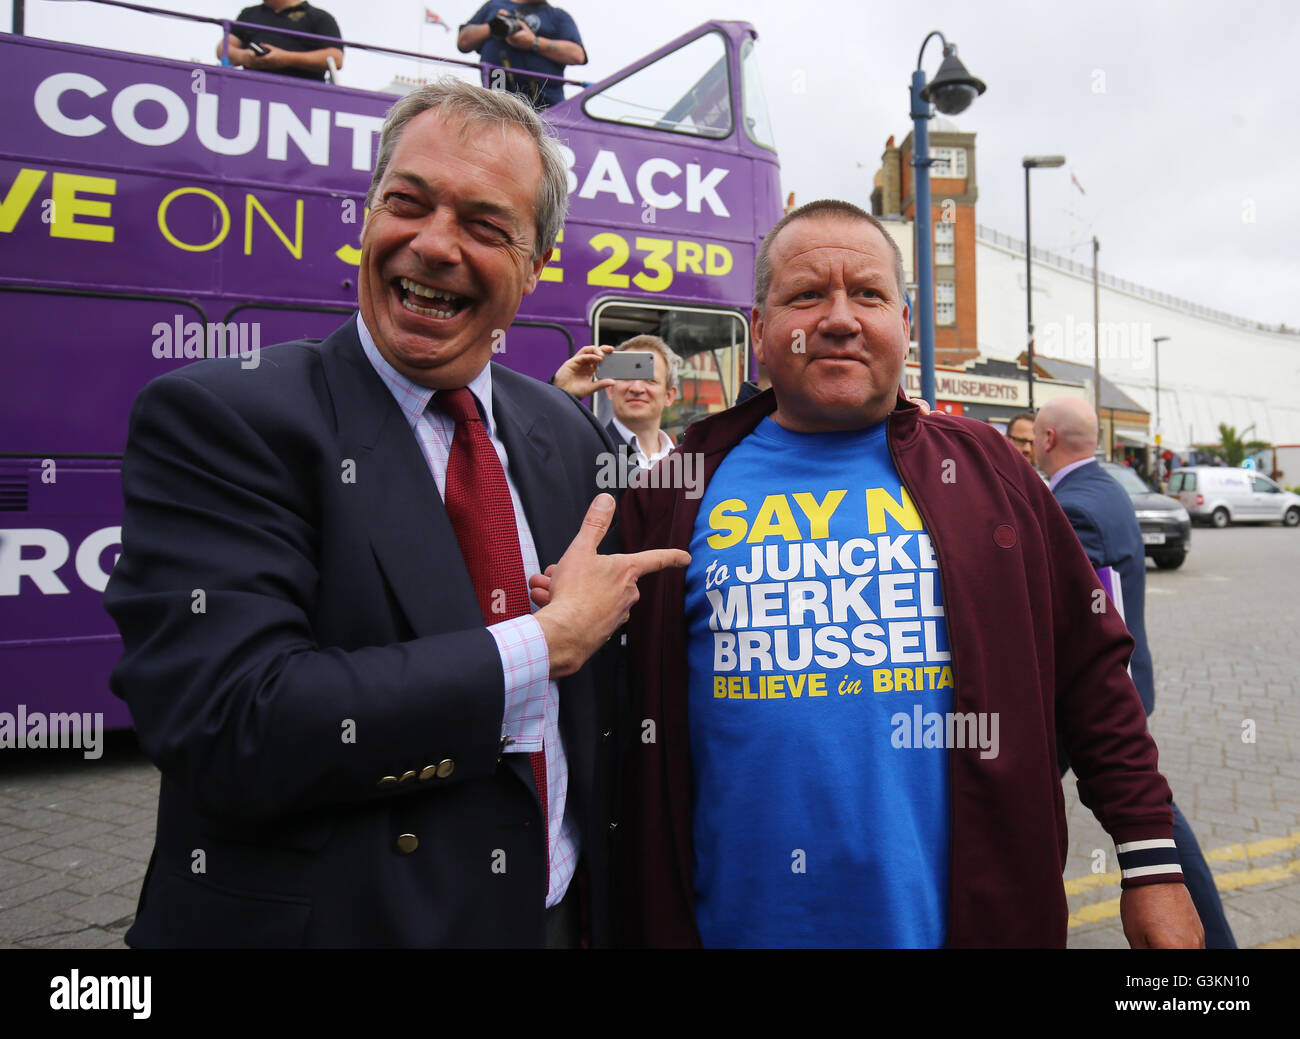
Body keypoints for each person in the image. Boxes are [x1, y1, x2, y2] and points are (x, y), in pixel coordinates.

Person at [103, 78, 687, 948]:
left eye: (487, 227)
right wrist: (544, 643)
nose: (434, 245)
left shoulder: (561, 428)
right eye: (407, 203)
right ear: (369, 215)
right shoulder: (223, 417)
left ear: (535, 265)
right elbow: (229, 724)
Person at [607, 199, 1202, 948]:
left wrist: (1152, 864)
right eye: (805, 295)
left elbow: (1092, 673)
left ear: (905, 324)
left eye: (868, 293)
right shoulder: (672, 492)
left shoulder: (990, 473)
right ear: (759, 329)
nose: (839, 318)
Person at [1035, 397, 1237, 949]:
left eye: (1032, 437)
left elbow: (1071, 623)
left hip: (1088, 697)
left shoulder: (1072, 506)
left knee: (1141, 815)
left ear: (1048, 439)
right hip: (1124, 681)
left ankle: (1204, 937)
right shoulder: (1105, 489)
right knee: (1146, 812)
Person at [553, 337, 681, 472]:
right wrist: (560, 394)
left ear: (669, 396)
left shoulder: (687, 461)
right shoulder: (585, 451)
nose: (637, 388)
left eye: (649, 380)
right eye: (627, 377)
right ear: (609, 389)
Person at [457, 2, 586, 109]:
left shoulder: (558, 16)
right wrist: (493, 25)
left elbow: (577, 55)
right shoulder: (494, 6)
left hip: (546, 110)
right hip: (496, 102)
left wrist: (533, 42)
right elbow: (463, 42)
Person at [217, 1, 344, 81]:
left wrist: (286, 58)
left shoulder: (320, 18)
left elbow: (335, 58)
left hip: (303, 95)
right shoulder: (249, 14)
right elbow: (223, 49)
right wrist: (246, 57)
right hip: (251, 91)